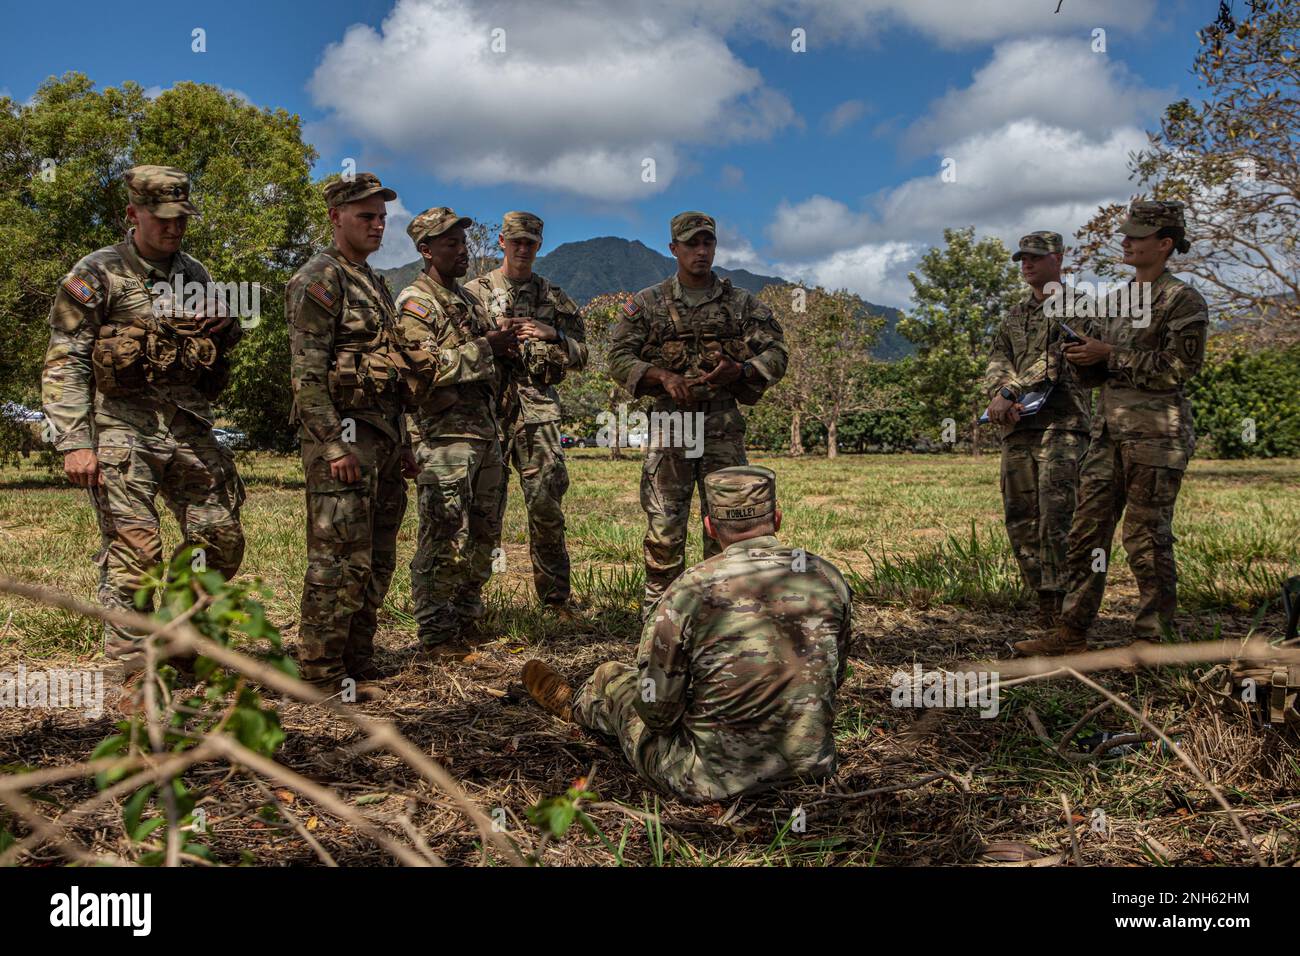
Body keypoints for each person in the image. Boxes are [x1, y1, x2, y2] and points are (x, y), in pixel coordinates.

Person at [522, 466, 853, 803]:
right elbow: (832, 676)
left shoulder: (691, 589)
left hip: (709, 781)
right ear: (777, 518)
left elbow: (657, 713)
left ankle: (577, 706)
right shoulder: (827, 575)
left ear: (709, 526)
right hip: (812, 766)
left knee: (612, 678)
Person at [41, 165, 244, 665]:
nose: (174, 228)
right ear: (133, 214)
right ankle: (130, 666)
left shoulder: (194, 273)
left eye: (182, 219)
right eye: (163, 219)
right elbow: (64, 358)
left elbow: (213, 347)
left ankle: (180, 639)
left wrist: (226, 324)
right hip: (122, 430)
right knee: (136, 551)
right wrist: (74, 441)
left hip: (189, 428)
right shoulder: (96, 273)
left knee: (219, 538)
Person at [1015, 201, 1208, 656]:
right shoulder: (1116, 300)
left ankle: (1151, 639)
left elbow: (1179, 369)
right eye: (1125, 233)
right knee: (1086, 532)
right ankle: (1071, 631)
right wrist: (1080, 358)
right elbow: (1099, 371)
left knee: (1146, 538)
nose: (1125, 240)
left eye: (1137, 235)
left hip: (1156, 438)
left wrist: (1109, 354)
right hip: (1108, 433)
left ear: (1164, 243)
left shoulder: (1182, 299)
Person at [607, 212, 787, 619]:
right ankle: (662, 616)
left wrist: (740, 371)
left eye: (707, 243)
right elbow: (618, 357)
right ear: (674, 249)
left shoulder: (741, 304)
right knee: (665, 524)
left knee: (728, 521)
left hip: (722, 423)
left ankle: (719, 614)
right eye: (691, 244)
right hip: (672, 423)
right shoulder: (649, 304)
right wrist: (661, 375)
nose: (700, 251)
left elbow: (777, 353)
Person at [287, 172, 413, 700]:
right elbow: (307, 373)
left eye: (382, 215)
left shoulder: (373, 281)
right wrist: (333, 442)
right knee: (338, 560)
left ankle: (357, 662)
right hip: (344, 437)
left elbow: (392, 368)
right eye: (366, 216)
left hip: (382, 437)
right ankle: (319, 673)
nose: (378, 224)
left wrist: (404, 441)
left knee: (375, 557)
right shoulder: (320, 279)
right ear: (336, 218)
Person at [393, 208, 517, 649]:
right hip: (443, 439)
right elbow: (420, 369)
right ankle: (436, 631)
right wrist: (487, 346)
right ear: (426, 250)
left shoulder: (469, 301)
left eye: (464, 242)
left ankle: (466, 617)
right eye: (450, 244)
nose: (462, 251)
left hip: (485, 435)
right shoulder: (416, 302)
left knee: (485, 533)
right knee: (443, 534)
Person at [463, 212, 588, 613]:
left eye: (530, 243)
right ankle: (468, 604)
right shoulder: (473, 294)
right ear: (501, 242)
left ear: (539, 245)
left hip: (538, 415)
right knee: (482, 513)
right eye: (516, 241)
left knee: (546, 509)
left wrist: (554, 334)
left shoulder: (553, 297)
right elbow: (453, 348)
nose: (522, 249)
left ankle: (555, 601)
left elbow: (584, 354)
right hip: (486, 416)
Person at [984, 231, 1092, 630]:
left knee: (1058, 515)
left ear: (1058, 259)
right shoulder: (1015, 314)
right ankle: (1042, 602)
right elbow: (998, 357)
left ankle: (1065, 606)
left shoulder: (1079, 305)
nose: (1026, 264)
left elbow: (1059, 358)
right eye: (1022, 258)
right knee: (1020, 515)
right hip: (1018, 427)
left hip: (1062, 427)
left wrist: (1013, 389)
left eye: (1034, 257)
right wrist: (1001, 394)